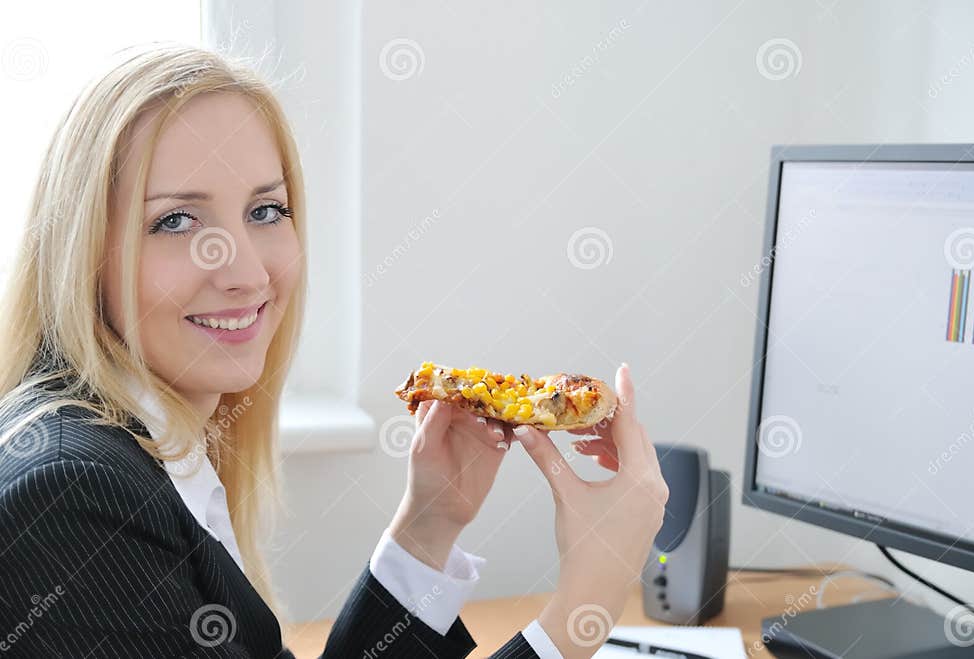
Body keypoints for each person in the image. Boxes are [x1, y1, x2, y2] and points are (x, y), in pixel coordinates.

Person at [0, 43, 669, 658]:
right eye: (176, 220)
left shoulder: (140, 449)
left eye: (266, 211)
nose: (248, 273)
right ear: (84, 252)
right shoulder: (70, 494)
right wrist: (583, 608)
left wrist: (428, 528)